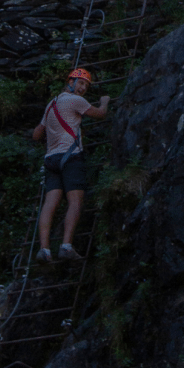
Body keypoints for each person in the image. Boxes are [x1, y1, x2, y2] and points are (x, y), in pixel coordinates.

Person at [31, 68, 109, 262]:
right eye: (80, 83)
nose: (83, 88)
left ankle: (44, 249)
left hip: (51, 159)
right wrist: (105, 102)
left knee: (50, 203)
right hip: (71, 157)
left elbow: (36, 135)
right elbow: (99, 114)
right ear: (70, 82)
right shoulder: (76, 101)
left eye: (85, 85)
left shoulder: (51, 104)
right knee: (75, 200)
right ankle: (66, 246)